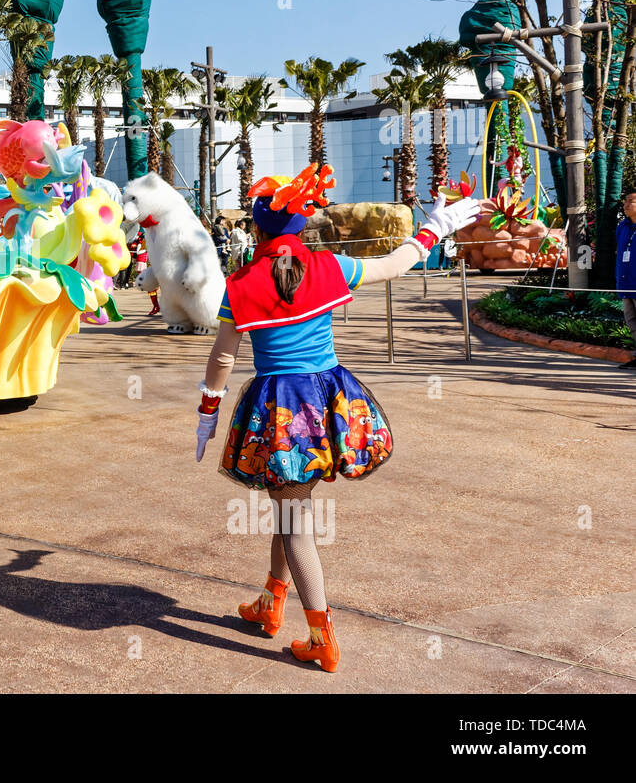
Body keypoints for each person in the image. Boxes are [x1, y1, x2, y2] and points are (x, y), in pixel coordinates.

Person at [196, 164, 479, 673]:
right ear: (301, 228)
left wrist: (208, 409)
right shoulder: (330, 267)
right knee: (289, 505)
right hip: (328, 402)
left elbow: (223, 359)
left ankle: (322, 635)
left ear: (255, 230)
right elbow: (395, 265)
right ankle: (270, 599)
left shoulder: (240, 283)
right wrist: (436, 226)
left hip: (279, 411)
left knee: (293, 518)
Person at [617, 190, 636, 369]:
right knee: (631, 321)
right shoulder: (622, 227)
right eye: (625, 201)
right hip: (625, 284)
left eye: (631, 201)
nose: (627, 205)